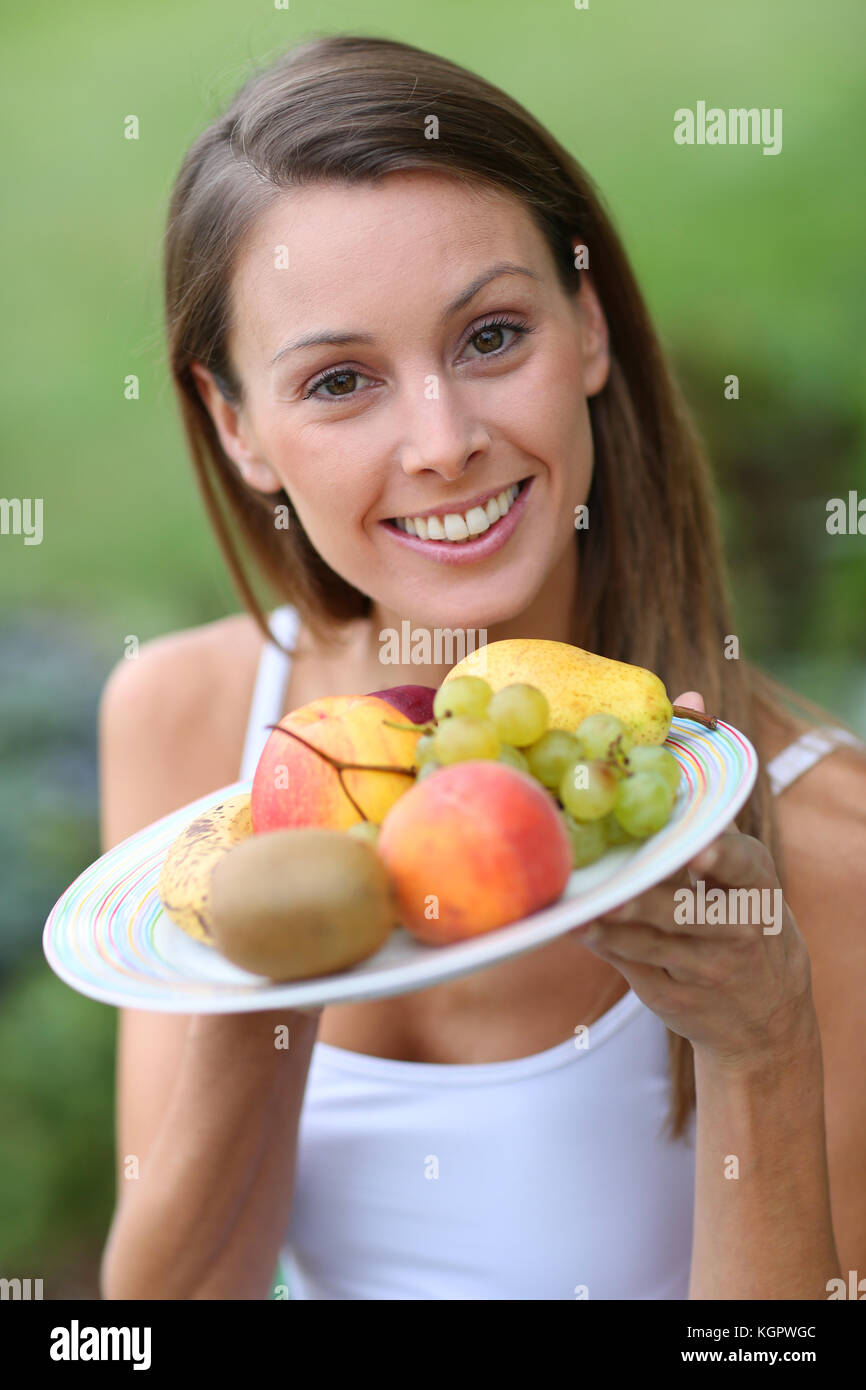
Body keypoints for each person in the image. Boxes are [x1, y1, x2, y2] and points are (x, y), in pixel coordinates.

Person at [98, 35, 866, 1300]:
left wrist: (762, 1052)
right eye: (341, 381)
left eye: (491, 336)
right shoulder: (185, 723)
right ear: (237, 426)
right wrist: (252, 975)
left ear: (591, 330)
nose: (444, 442)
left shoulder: (821, 846)